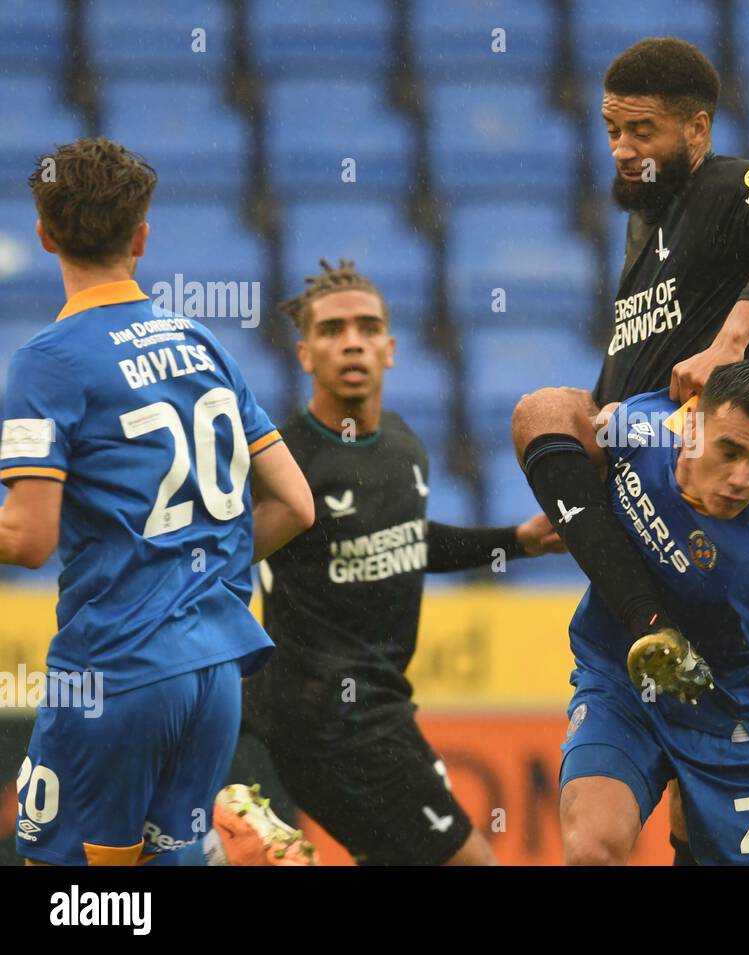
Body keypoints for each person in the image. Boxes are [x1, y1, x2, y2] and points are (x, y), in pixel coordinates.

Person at [525, 36, 749, 863]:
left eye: (643, 131)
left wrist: (736, 337)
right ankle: (644, 629)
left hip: (723, 599)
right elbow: (611, 388)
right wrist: (580, 494)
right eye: (612, 131)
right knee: (546, 412)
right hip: (645, 521)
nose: (624, 151)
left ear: (697, 130)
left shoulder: (727, 188)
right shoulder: (646, 236)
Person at [2, 137, 316, 866]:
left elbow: (27, 536)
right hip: (215, 670)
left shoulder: (47, 361)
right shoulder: (203, 343)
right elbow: (296, 504)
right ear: (141, 238)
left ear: (44, 234)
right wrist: (194, 571)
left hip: (117, 669)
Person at [239, 259, 563, 866]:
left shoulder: (403, 443)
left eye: (367, 327)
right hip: (327, 724)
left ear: (389, 348)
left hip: (382, 710)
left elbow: (407, 541)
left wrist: (516, 540)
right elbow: (220, 565)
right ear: (305, 355)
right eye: (333, 331)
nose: (352, 340)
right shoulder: (283, 464)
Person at [513, 360, 749, 865]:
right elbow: (555, 416)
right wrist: (574, 504)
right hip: (624, 682)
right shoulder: (638, 428)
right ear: (690, 424)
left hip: (734, 721)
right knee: (591, 851)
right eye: (729, 451)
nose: (741, 478)